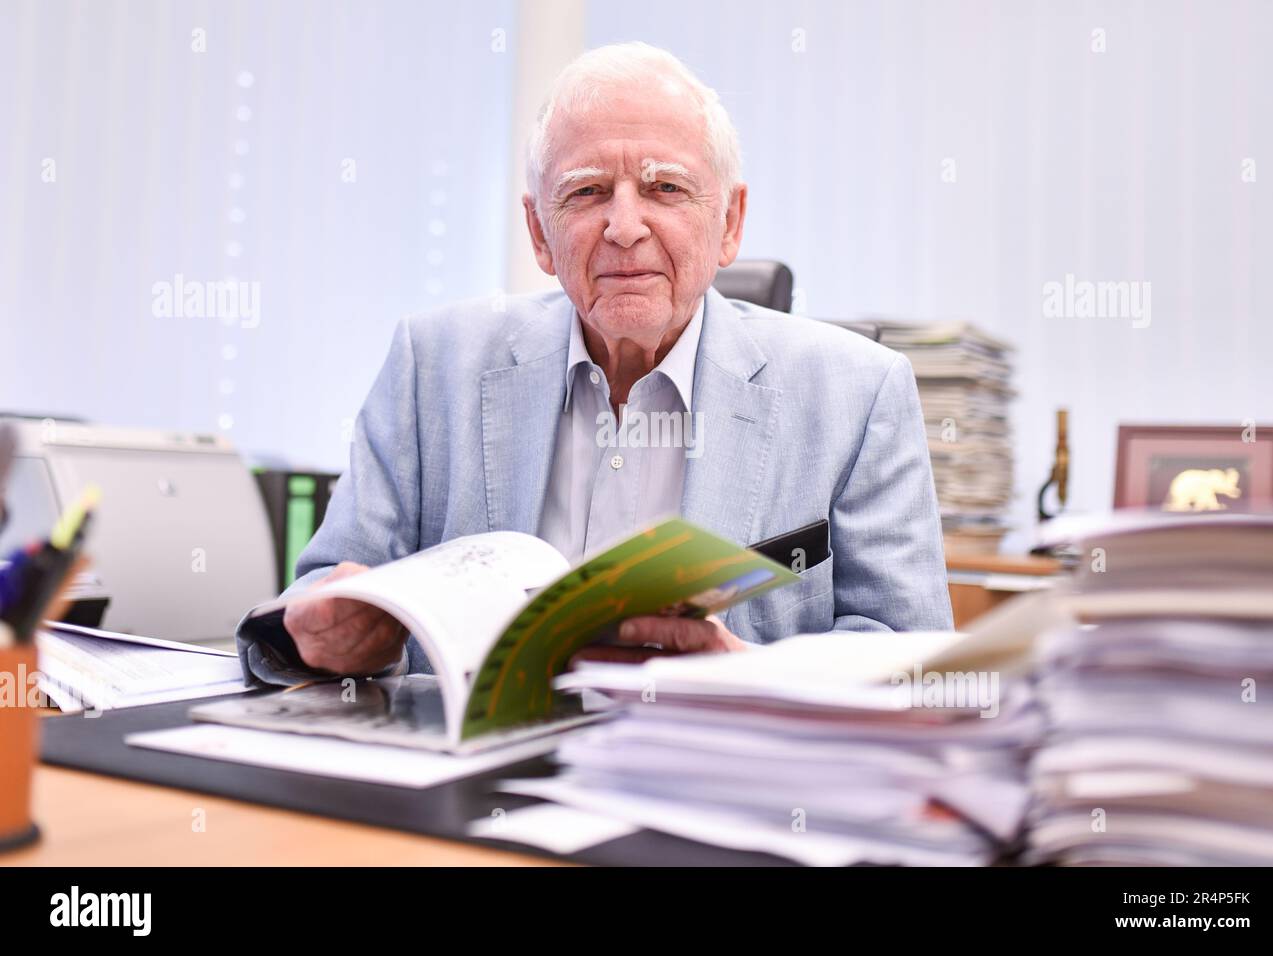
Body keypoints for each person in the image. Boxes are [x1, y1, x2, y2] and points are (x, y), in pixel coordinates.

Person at [238, 42, 952, 686]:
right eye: (586, 192)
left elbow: (915, 658)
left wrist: (748, 675)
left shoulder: (858, 392)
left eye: (665, 187)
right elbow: (325, 585)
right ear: (539, 233)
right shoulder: (434, 363)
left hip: (712, 792)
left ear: (728, 223)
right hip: (469, 790)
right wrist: (325, 634)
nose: (624, 226)